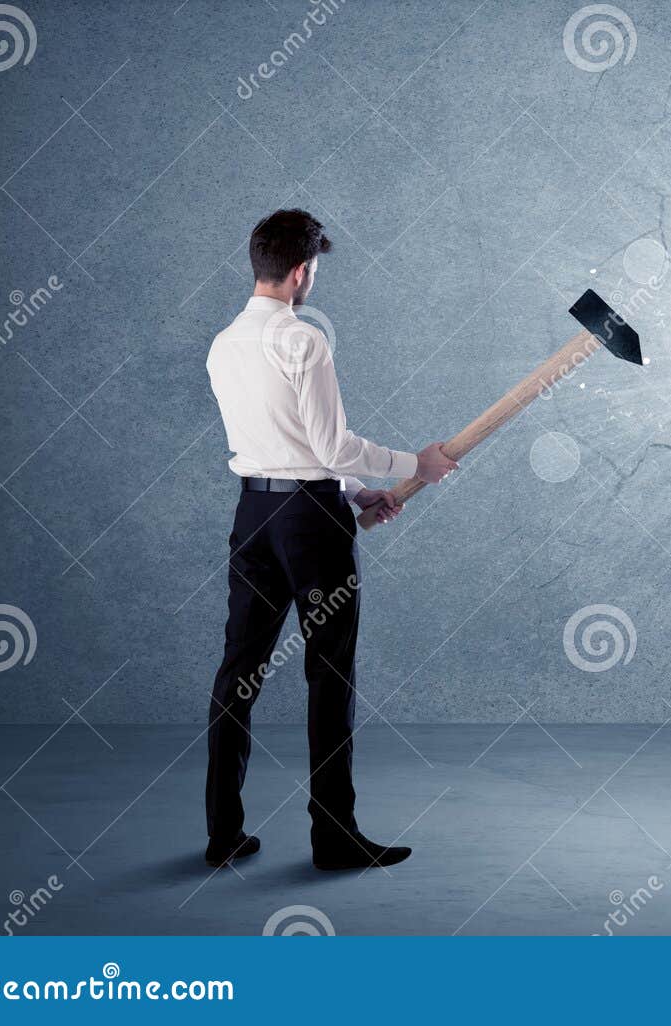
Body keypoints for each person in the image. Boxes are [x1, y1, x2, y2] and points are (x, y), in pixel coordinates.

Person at [202, 209, 457, 870]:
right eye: (313, 270)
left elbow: (281, 447)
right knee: (330, 674)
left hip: (253, 516)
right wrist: (414, 466)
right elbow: (330, 445)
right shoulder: (303, 340)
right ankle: (334, 837)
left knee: (239, 672)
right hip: (310, 526)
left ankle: (222, 833)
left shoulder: (223, 343)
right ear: (299, 272)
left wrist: (348, 493)